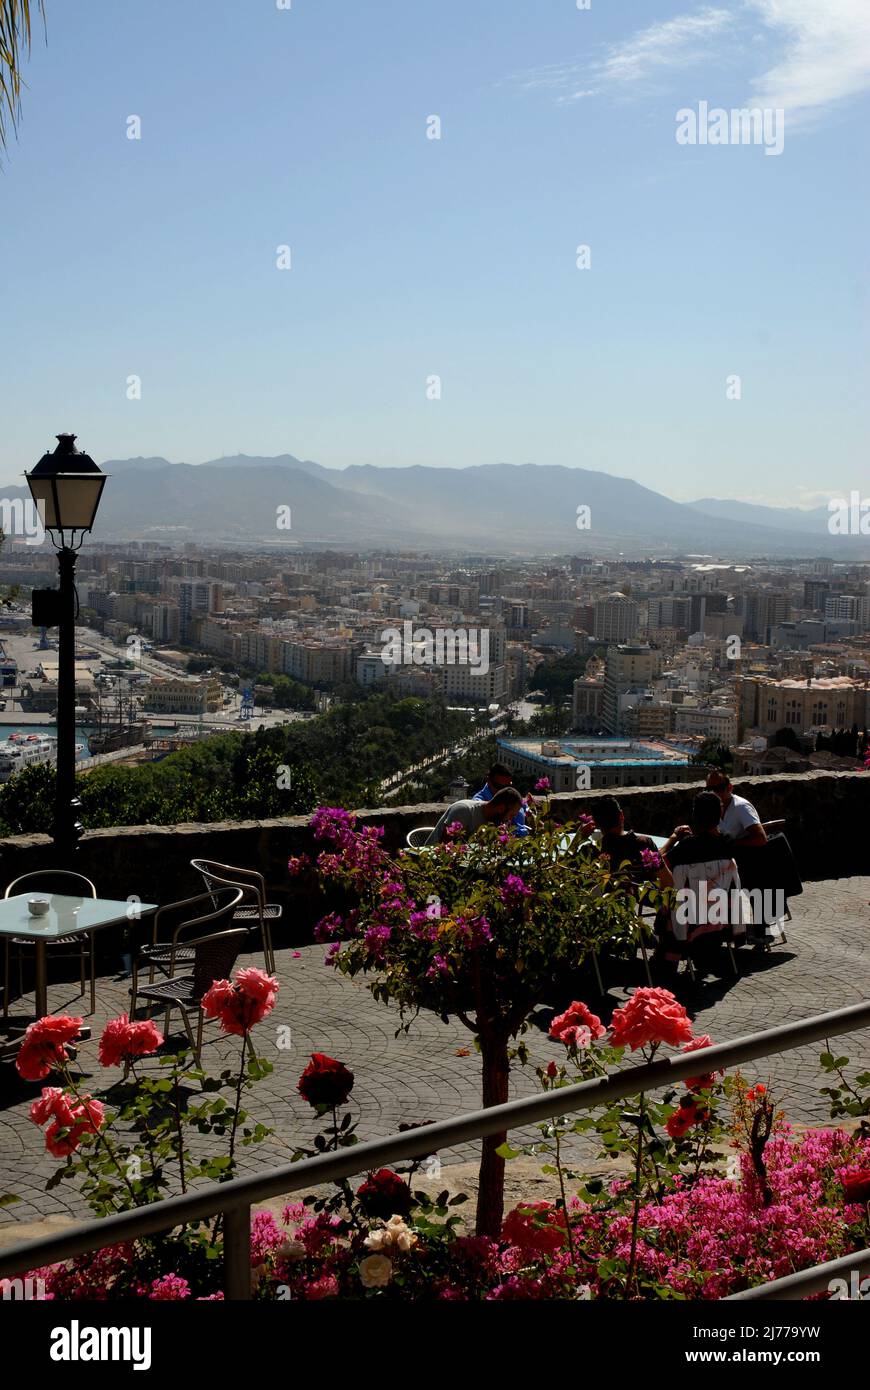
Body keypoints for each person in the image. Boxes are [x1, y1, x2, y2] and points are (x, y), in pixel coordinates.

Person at [659, 790, 751, 973]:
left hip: (689, 919)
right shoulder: (728, 842)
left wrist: (674, 837)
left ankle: (668, 960)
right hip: (720, 916)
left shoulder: (686, 847)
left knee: (664, 907)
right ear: (719, 814)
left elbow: (656, 862)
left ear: (695, 815)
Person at [426, 786, 524, 846]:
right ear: (501, 808)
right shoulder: (464, 811)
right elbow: (444, 845)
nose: (510, 819)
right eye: (511, 815)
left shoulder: (494, 821)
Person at [705, 771, 768, 847]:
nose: (714, 793)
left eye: (719, 788)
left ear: (730, 788)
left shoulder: (741, 807)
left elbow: (761, 839)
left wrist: (731, 844)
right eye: (709, 789)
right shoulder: (710, 807)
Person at [473, 762, 532, 837]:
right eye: (499, 786)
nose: (504, 790)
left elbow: (529, 813)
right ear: (489, 781)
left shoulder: (512, 796)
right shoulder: (479, 801)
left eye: (507, 786)